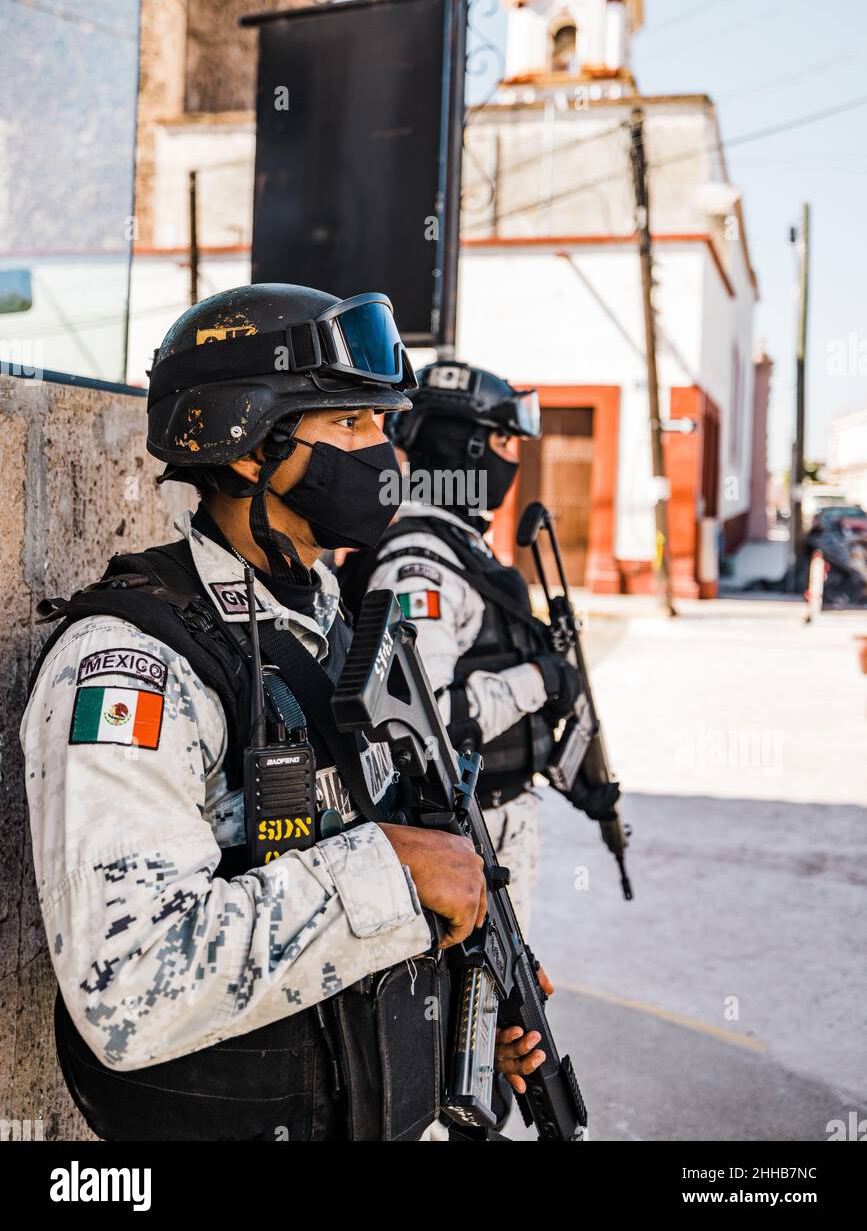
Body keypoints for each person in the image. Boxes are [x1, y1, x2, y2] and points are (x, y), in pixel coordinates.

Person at [21, 286, 547, 1143]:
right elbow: (126, 989)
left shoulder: (331, 620)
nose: (386, 453)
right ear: (247, 446)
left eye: (384, 425)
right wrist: (396, 870)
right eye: (349, 426)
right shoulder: (137, 663)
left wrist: (474, 975)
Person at [341, 361, 620, 933]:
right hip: (461, 842)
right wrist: (539, 680)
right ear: (466, 448)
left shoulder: (464, 550)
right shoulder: (419, 564)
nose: (513, 457)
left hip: (494, 828)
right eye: (502, 440)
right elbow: (425, 724)